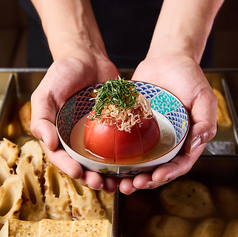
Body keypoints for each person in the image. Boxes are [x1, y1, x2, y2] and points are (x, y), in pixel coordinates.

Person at [26, 0, 223, 195]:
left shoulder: (143, 111)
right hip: (61, 22)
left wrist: (178, 50)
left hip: (187, 22)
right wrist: (75, 49)